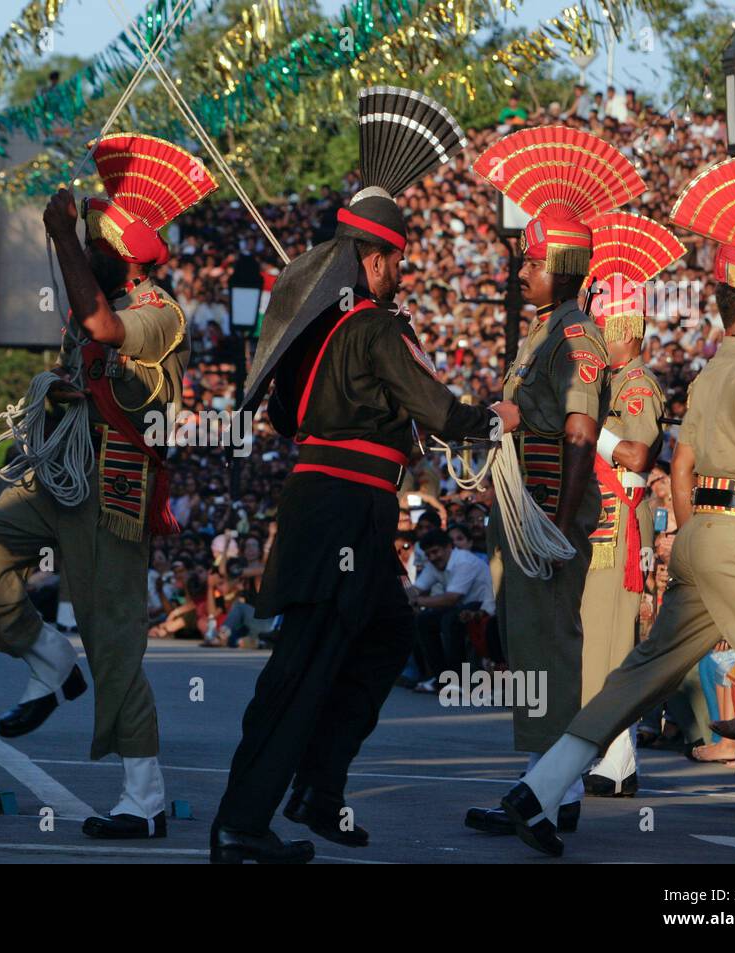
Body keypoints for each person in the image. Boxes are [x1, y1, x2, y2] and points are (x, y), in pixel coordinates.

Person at [495, 153, 735, 863]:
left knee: (634, 678)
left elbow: (680, 467)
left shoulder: (714, 371)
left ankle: (539, 788)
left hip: (700, 540)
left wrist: (693, 541)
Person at [211, 87, 519, 863]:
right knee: (303, 667)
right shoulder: (377, 326)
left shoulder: (309, 328)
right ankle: (243, 824)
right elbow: (437, 406)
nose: (399, 273)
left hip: (334, 507)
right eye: (394, 259)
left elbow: (281, 416)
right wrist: (495, 421)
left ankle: (318, 786)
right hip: (346, 509)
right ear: (369, 256)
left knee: (384, 635)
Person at [0, 134, 218, 839]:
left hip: (114, 493)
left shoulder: (157, 307)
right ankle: (45, 657)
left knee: (114, 644)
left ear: (121, 250)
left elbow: (104, 325)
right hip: (64, 478)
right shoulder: (96, 292)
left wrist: (62, 235)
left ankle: (144, 795)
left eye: (98, 235)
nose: (86, 243)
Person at [465, 126, 643, 838]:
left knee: (553, 652)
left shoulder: (574, 339)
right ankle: (540, 785)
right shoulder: (541, 332)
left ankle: (553, 794)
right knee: (532, 649)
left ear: (562, 267)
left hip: (548, 515)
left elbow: (576, 434)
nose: (521, 272)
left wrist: (559, 525)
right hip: (527, 513)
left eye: (533, 263)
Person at [578, 212, 682, 797]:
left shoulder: (636, 384)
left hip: (621, 527)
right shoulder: (614, 383)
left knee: (614, 643)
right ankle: (609, 760)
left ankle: (614, 763)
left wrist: (592, 428)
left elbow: (639, 455)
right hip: (606, 525)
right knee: (601, 642)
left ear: (619, 327)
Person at [409, 528, 494, 693]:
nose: (433, 558)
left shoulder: (464, 562)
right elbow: (416, 589)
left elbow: (451, 598)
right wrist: (405, 597)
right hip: (461, 606)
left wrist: (416, 601)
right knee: (424, 621)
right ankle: (441, 678)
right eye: (429, 555)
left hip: (482, 605)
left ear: (448, 547)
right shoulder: (434, 564)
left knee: (450, 620)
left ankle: (459, 679)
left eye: (435, 552)